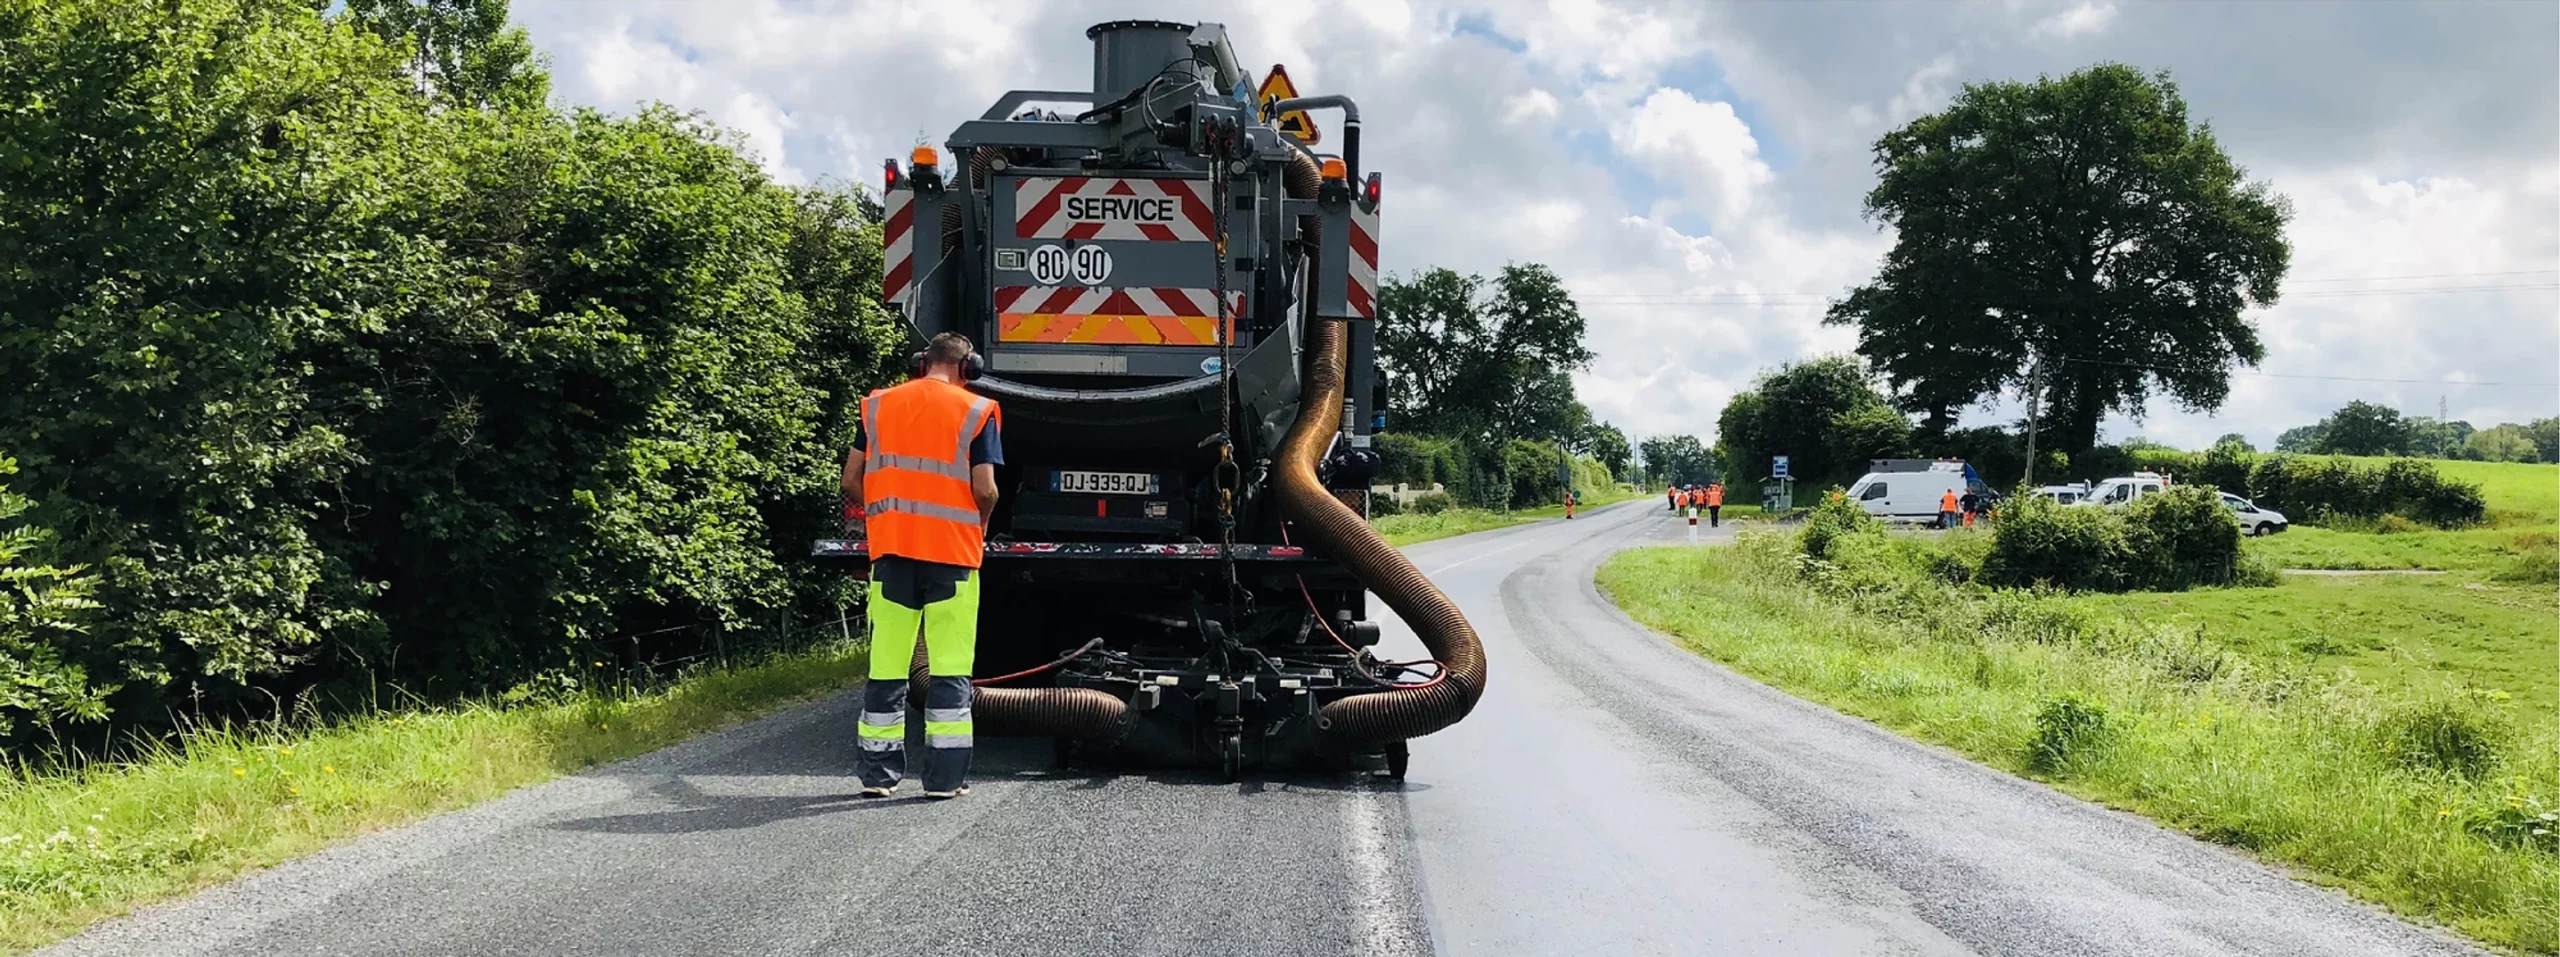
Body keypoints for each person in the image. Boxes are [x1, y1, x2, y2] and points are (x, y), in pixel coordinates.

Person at [840, 333, 1002, 800]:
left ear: (920, 363)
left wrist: (887, 519)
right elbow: (986, 489)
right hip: (952, 555)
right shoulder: (975, 411)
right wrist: (980, 526)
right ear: (967, 366)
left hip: (891, 555)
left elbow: (852, 480)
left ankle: (878, 778)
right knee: (949, 669)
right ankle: (944, 782)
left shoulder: (877, 407)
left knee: (887, 666)